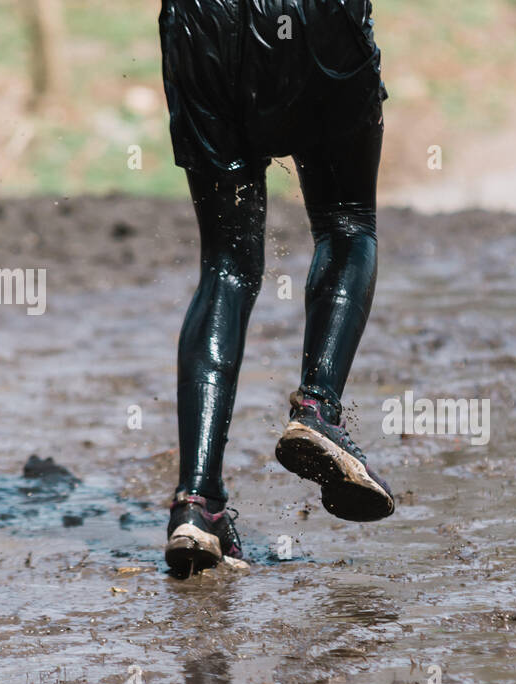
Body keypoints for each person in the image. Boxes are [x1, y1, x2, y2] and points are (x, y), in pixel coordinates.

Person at [158, 0, 395, 576]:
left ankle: (198, 503)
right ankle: (317, 409)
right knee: (346, 223)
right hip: (315, 20)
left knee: (225, 265)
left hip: (201, 23)